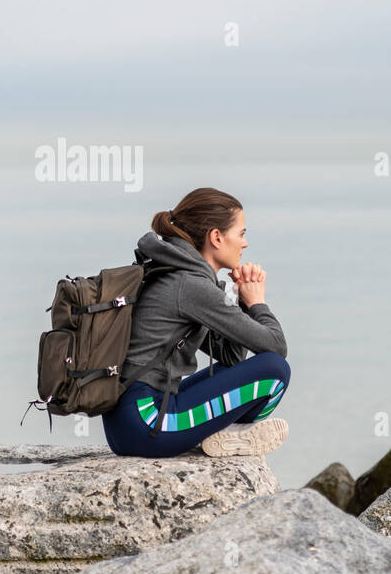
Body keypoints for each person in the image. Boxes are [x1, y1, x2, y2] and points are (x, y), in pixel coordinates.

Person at [102, 187, 291, 458]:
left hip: (128, 424)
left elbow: (231, 358)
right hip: (148, 423)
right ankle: (233, 433)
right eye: (241, 234)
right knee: (275, 370)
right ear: (216, 237)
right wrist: (257, 302)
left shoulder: (174, 270)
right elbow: (275, 347)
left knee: (250, 369)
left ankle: (228, 433)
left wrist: (237, 296)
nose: (245, 244)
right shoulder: (190, 285)